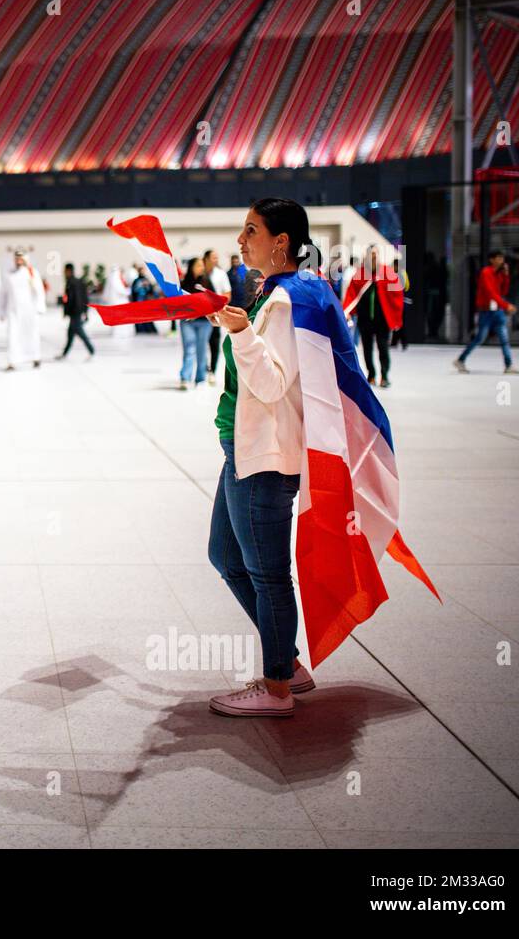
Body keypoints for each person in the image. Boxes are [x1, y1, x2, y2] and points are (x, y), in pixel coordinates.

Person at [204, 197, 314, 717]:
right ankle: (286, 662)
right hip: (243, 448)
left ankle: (276, 688)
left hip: (265, 456)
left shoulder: (288, 301)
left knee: (268, 571)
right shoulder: (272, 295)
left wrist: (241, 332)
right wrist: (239, 327)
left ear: (281, 242)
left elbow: (271, 384)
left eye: (250, 230)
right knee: (226, 557)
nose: (240, 240)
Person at [454, 251, 519, 374]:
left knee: (504, 338)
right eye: (498, 258)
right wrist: (506, 305)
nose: (501, 260)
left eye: (502, 258)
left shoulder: (499, 274)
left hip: (497, 310)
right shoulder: (486, 273)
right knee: (480, 338)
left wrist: (506, 276)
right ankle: (461, 360)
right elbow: (490, 293)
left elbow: (502, 292)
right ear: (491, 260)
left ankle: (508, 365)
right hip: (486, 311)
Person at [350, 247, 400, 388]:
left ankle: (384, 376)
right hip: (365, 320)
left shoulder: (387, 273)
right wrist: (348, 311)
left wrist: (395, 316)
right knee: (367, 349)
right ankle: (371, 375)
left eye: (375, 254)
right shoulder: (360, 274)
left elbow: (397, 294)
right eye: (371, 254)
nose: (373, 257)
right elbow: (352, 294)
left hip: (382, 320)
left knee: (383, 347)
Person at [3, 250, 45, 369]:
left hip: (29, 310)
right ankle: (12, 361)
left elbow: (39, 291)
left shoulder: (32, 272)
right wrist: (0, 311)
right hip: (13, 310)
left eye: (21, 259)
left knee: (31, 334)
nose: (18, 261)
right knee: (12, 335)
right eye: (16, 259)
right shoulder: (9, 274)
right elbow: (4, 293)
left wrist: (40, 307)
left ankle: (35, 357)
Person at [178, 257, 213, 389]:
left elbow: (212, 300)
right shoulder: (183, 283)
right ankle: (185, 378)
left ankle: (200, 378)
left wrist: (199, 312)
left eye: (202, 265)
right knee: (189, 348)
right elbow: (179, 302)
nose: (201, 268)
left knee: (202, 349)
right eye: (198, 265)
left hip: (204, 322)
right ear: (192, 267)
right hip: (187, 322)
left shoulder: (206, 282)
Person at [57, 262, 95, 360]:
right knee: (71, 333)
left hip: (75, 312)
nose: (64, 273)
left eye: (65, 271)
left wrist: (68, 311)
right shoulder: (79, 281)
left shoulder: (71, 282)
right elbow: (85, 297)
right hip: (77, 311)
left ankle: (91, 350)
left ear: (68, 271)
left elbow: (72, 299)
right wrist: (85, 311)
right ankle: (64, 354)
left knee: (79, 332)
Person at [204, 250, 230, 384]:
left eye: (217, 257)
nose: (216, 260)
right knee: (202, 344)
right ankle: (203, 369)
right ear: (206, 259)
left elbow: (227, 293)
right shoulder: (200, 273)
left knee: (214, 344)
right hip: (201, 315)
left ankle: (212, 371)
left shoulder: (221, 274)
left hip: (215, 314)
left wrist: (219, 305)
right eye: (214, 257)